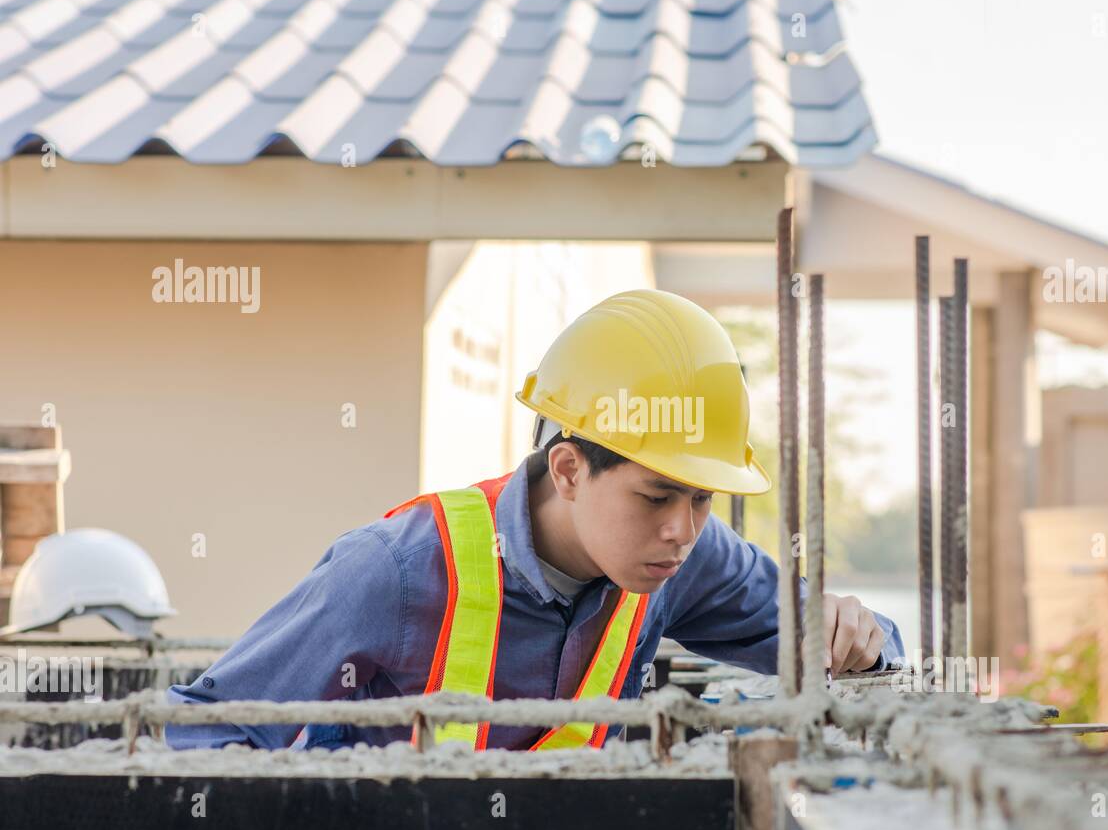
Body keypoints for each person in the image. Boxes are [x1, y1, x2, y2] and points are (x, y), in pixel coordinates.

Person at [163, 289, 906, 751]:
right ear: (570, 470)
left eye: (704, 498)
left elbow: (872, 656)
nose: (684, 529)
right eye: (656, 497)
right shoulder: (390, 572)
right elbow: (203, 727)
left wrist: (860, 637)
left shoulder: (687, 554)